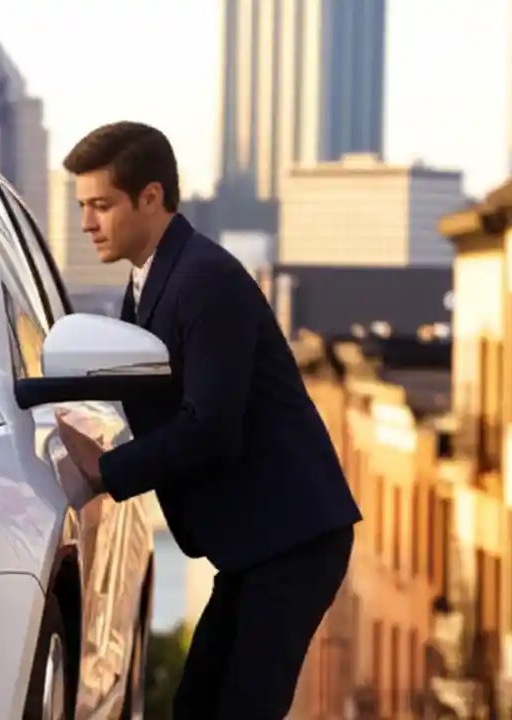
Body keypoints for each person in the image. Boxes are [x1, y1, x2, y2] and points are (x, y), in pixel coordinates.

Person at [53, 120, 362, 719]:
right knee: (198, 704)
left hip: (292, 538)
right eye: (83, 206)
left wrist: (106, 471)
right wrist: (37, 394)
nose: (87, 222)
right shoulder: (145, 284)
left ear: (151, 197)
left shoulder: (205, 279)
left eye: (101, 205)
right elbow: (124, 379)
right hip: (253, 543)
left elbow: (211, 427)